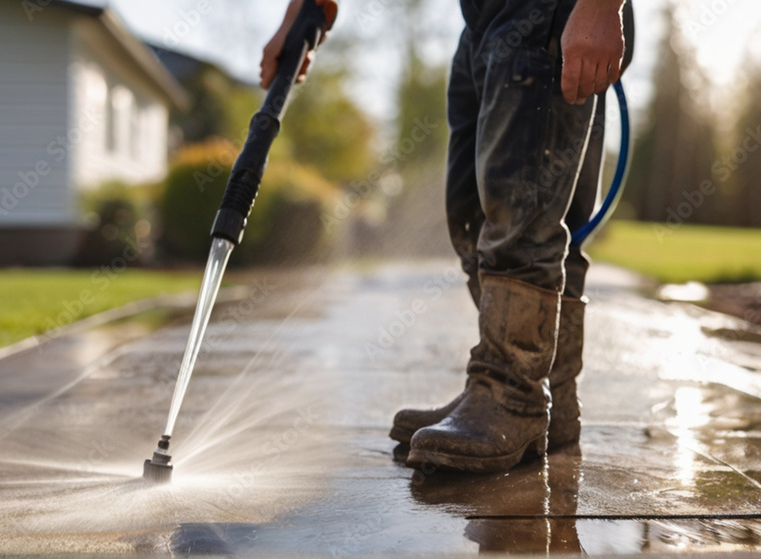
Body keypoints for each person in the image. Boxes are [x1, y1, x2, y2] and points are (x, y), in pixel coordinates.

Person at [261, 0, 633, 474]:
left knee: (521, 217)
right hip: (481, 20)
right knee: (472, 215)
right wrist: (300, 15)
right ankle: (548, 403)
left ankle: (510, 393)